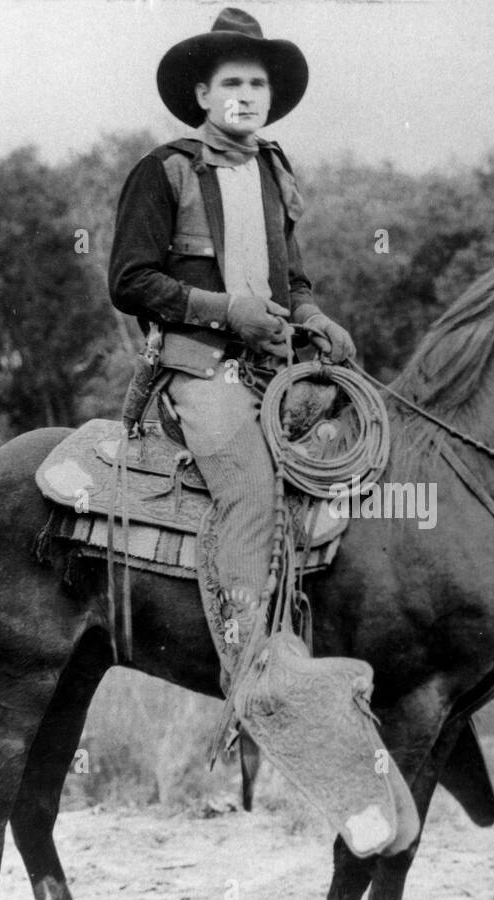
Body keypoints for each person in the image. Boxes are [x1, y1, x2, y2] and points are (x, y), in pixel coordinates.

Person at [108, 7, 356, 686]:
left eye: (258, 85)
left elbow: (293, 278)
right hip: (196, 372)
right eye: (232, 83)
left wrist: (313, 315)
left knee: (351, 457)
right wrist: (230, 313)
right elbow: (129, 281)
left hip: (273, 370)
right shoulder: (166, 172)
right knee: (249, 488)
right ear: (202, 95)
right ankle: (250, 659)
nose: (247, 96)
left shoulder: (275, 174)